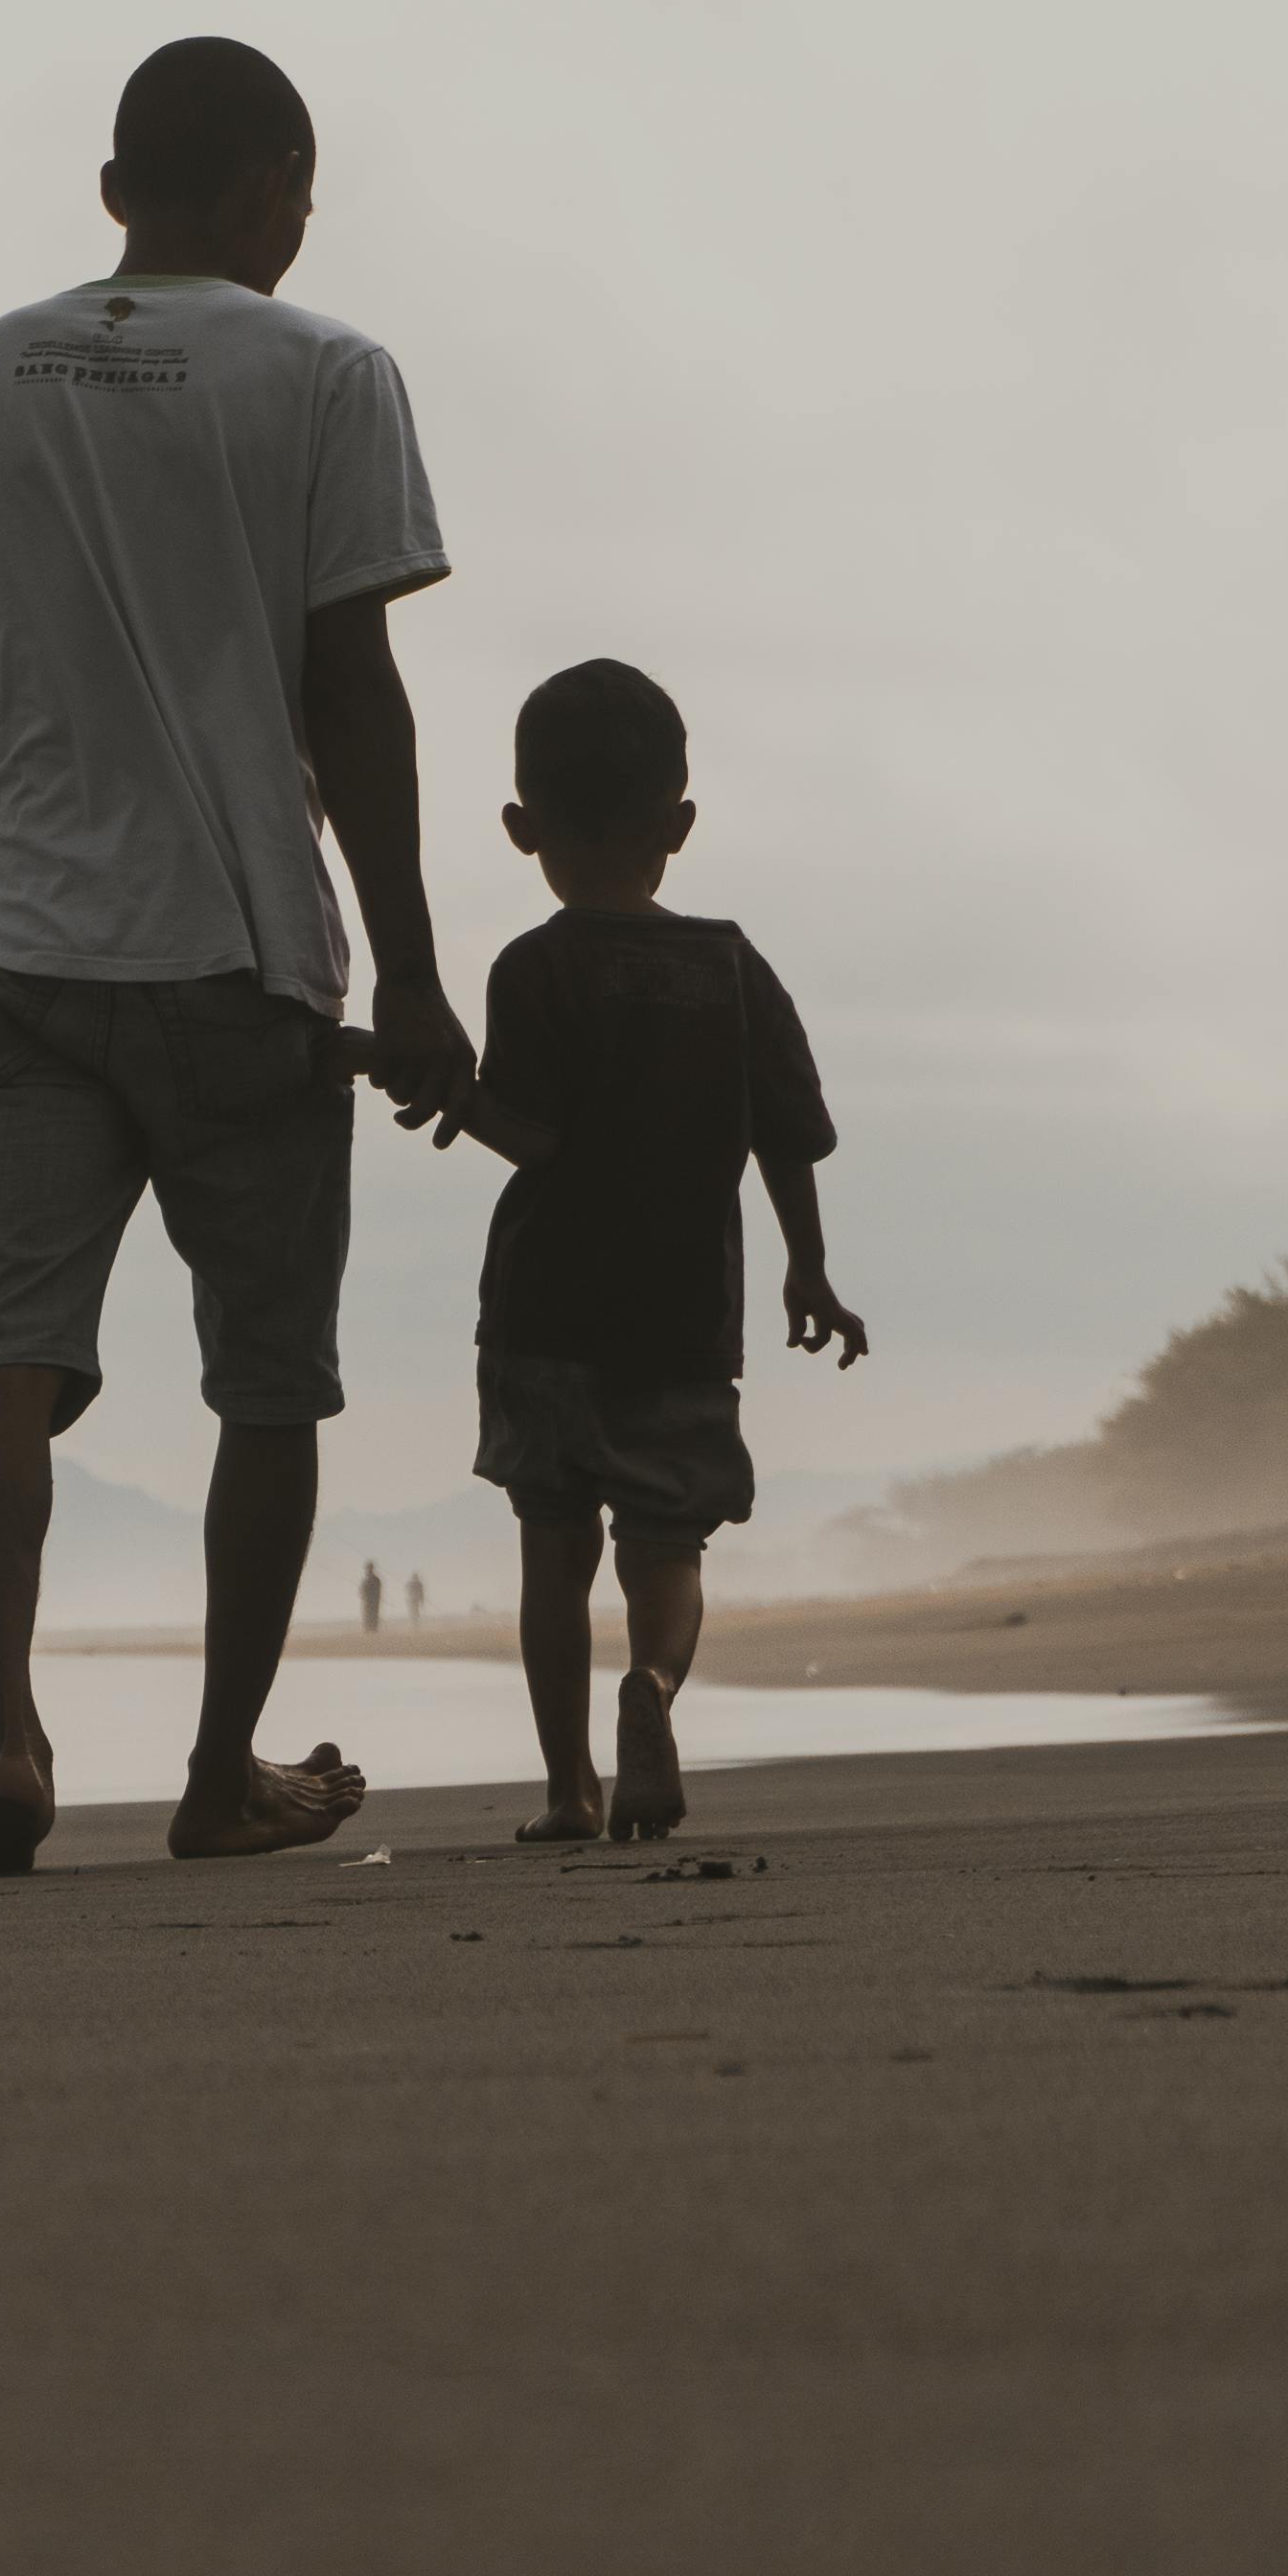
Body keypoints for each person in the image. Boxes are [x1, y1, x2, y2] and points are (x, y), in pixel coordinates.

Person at [0, 36, 474, 1872]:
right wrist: (420, 972)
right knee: (269, 1382)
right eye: (303, 189)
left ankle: (9, 1743)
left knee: (7, 1363)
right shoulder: (328, 372)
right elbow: (351, 693)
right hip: (243, 963)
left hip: (32, 955)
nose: (307, 221)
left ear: (119, 178)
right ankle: (221, 1777)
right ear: (265, 181)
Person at [440, 660, 859, 1843]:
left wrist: (446, 1090)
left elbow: (530, 1135)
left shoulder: (535, 967)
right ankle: (654, 1687)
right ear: (678, 823)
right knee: (667, 1544)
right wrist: (807, 1267)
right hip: (681, 1317)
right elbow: (792, 1136)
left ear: (523, 829)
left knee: (553, 1549)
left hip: (546, 1319)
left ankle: (570, 1789)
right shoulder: (731, 965)